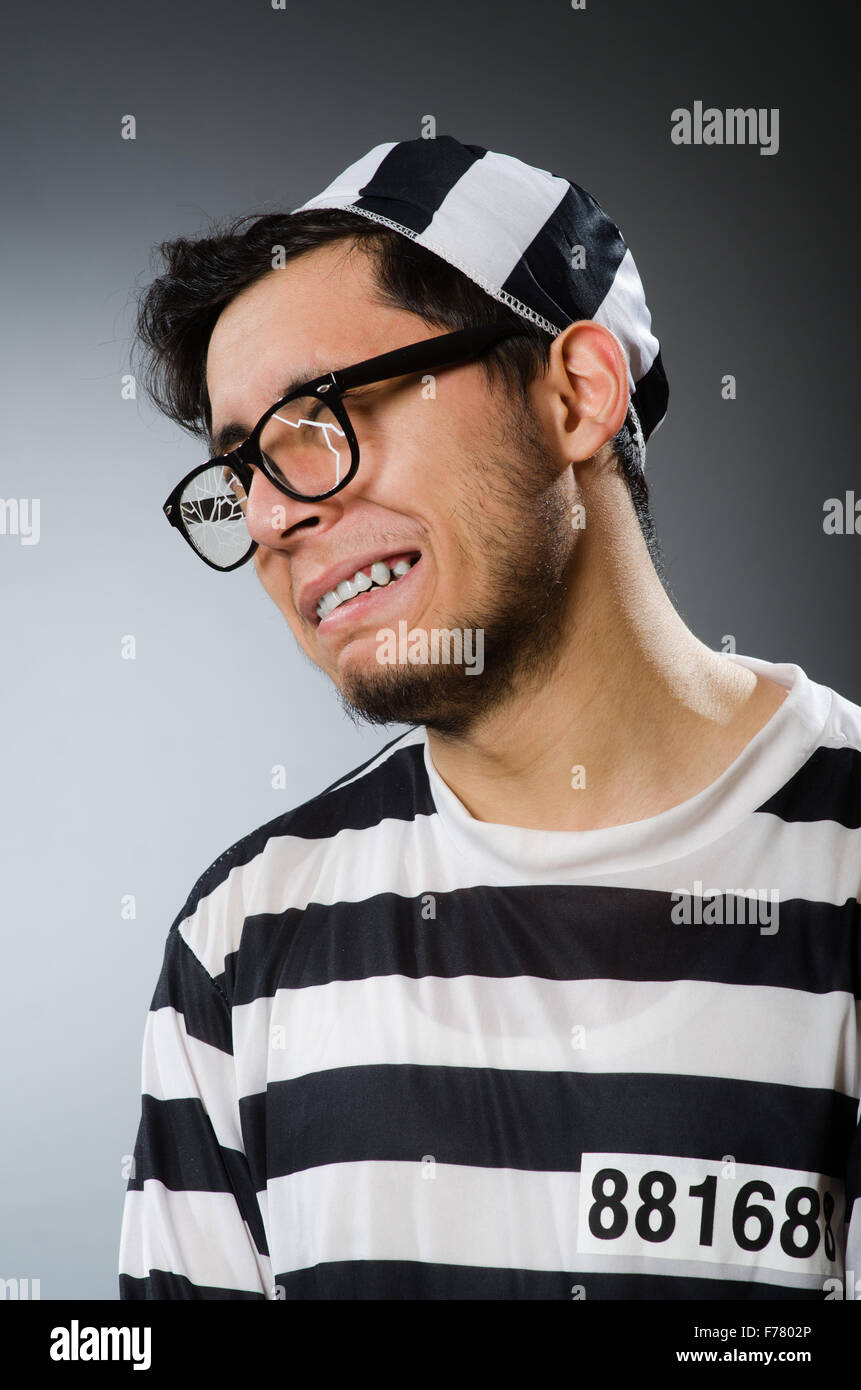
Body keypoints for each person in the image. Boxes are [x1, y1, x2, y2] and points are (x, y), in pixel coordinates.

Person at [118, 135, 861, 1300]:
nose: (271, 517)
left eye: (323, 411)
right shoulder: (242, 941)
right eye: (244, 467)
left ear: (574, 394)